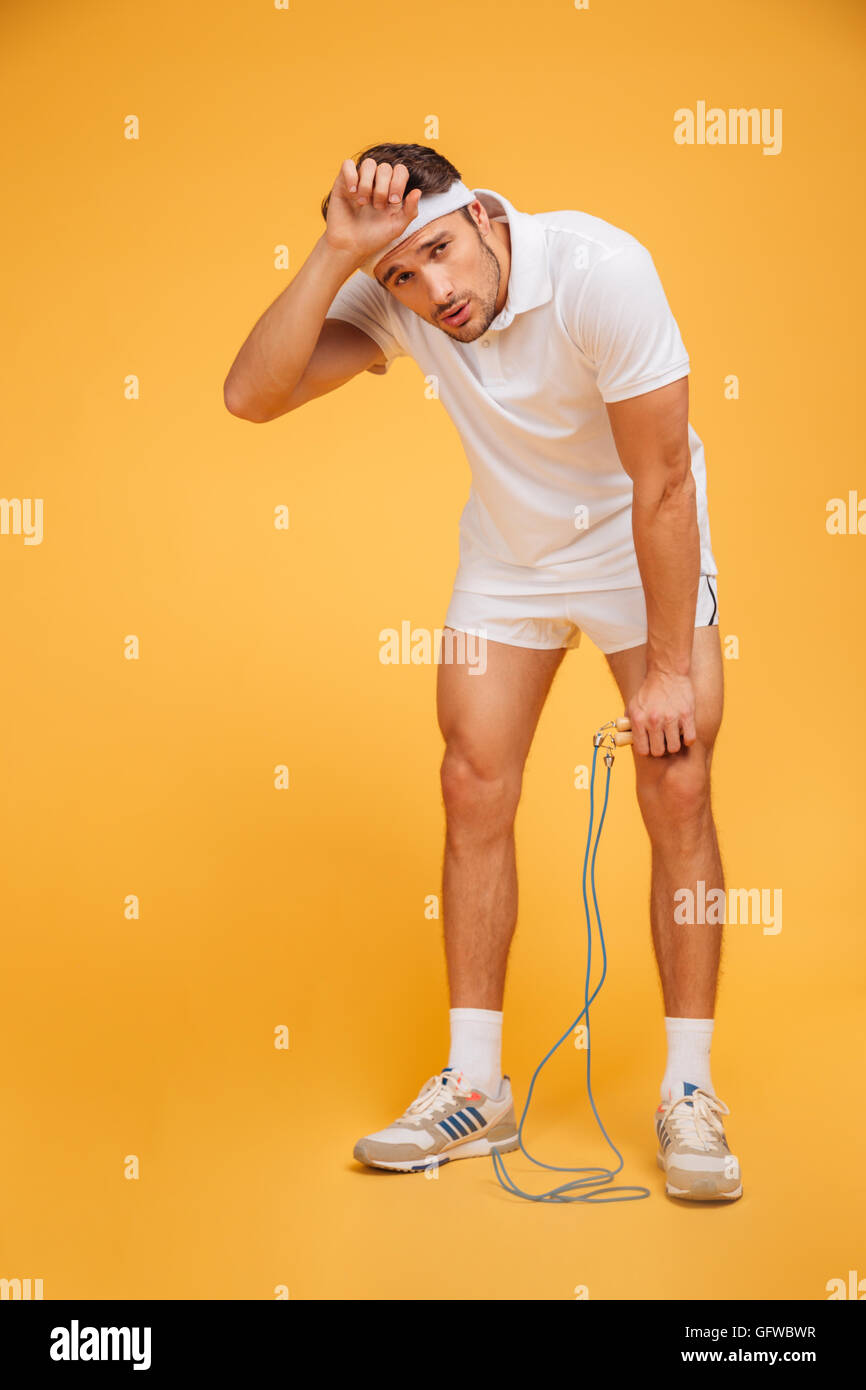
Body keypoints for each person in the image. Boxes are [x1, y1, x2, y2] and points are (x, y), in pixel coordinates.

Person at [223, 143, 741, 1202]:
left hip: (636, 543)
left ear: (488, 219)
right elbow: (250, 395)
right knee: (470, 780)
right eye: (401, 276)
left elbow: (660, 484)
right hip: (508, 557)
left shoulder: (600, 270)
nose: (433, 292)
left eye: (441, 253)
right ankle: (474, 1085)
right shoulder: (395, 295)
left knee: (676, 780)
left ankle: (687, 1093)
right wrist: (337, 255)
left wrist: (669, 667)